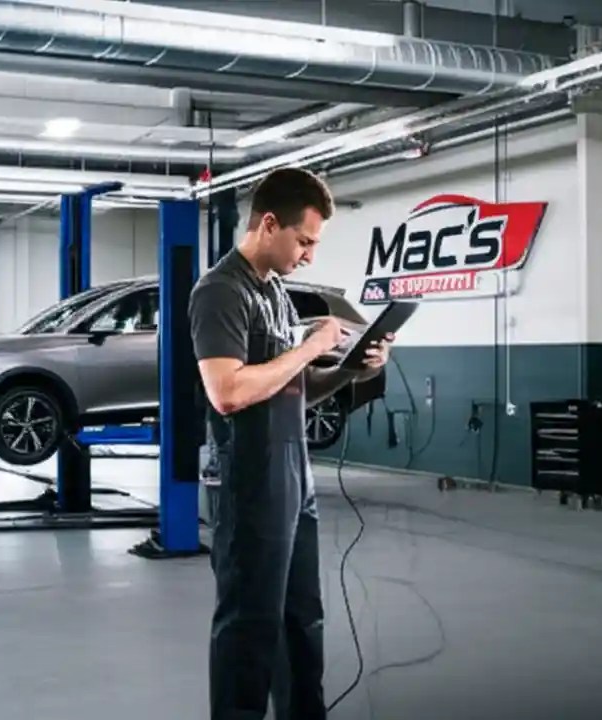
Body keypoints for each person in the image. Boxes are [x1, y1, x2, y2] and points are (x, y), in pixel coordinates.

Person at [189, 167, 392, 720]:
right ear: (269, 224)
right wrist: (311, 344)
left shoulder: (275, 292)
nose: (309, 255)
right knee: (249, 625)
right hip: (250, 478)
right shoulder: (219, 292)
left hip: (294, 474)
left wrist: (350, 368)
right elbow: (228, 392)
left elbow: (292, 391)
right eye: (304, 241)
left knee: (303, 618)